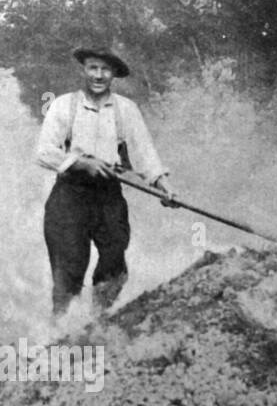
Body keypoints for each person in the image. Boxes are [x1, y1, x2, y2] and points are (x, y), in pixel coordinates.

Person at [35, 45, 178, 316]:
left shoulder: (126, 110)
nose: (98, 75)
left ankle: (97, 323)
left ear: (113, 74)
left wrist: (164, 187)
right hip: (70, 195)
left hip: (108, 195)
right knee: (69, 270)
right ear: (84, 70)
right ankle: (61, 333)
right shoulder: (64, 105)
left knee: (114, 265)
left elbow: (145, 153)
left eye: (105, 69)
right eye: (93, 68)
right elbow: (44, 152)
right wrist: (82, 163)